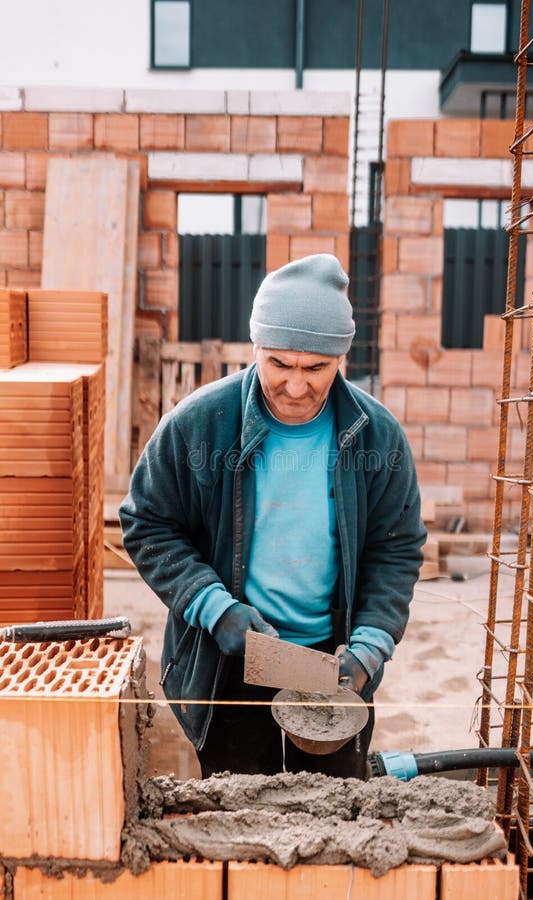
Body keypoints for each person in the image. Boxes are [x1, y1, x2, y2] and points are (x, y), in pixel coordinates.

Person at [119, 253, 426, 779]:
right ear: (255, 347)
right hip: (229, 659)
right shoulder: (200, 424)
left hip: (335, 661)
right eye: (280, 365)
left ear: (341, 357)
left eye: (316, 368)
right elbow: (147, 523)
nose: (297, 386)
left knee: (329, 808)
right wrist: (214, 607)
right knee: (242, 805)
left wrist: (371, 645)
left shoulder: (376, 436)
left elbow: (395, 547)